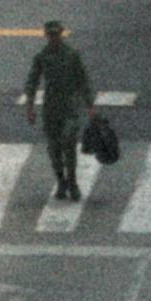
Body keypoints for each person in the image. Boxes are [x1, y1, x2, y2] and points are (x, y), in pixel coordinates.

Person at [22, 19, 97, 204]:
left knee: (69, 144)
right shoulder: (42, 56)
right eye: (51, 35)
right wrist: (30, 107)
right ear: (47, 36)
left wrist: (90, 104)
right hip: (51, 108)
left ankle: (73, 182)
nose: (54, 38)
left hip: (69, 106)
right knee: (54, 148)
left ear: (61, 33)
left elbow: (83, 79)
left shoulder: (72, 55)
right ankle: (61, 181)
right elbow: (32, 81)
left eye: (56, 34)